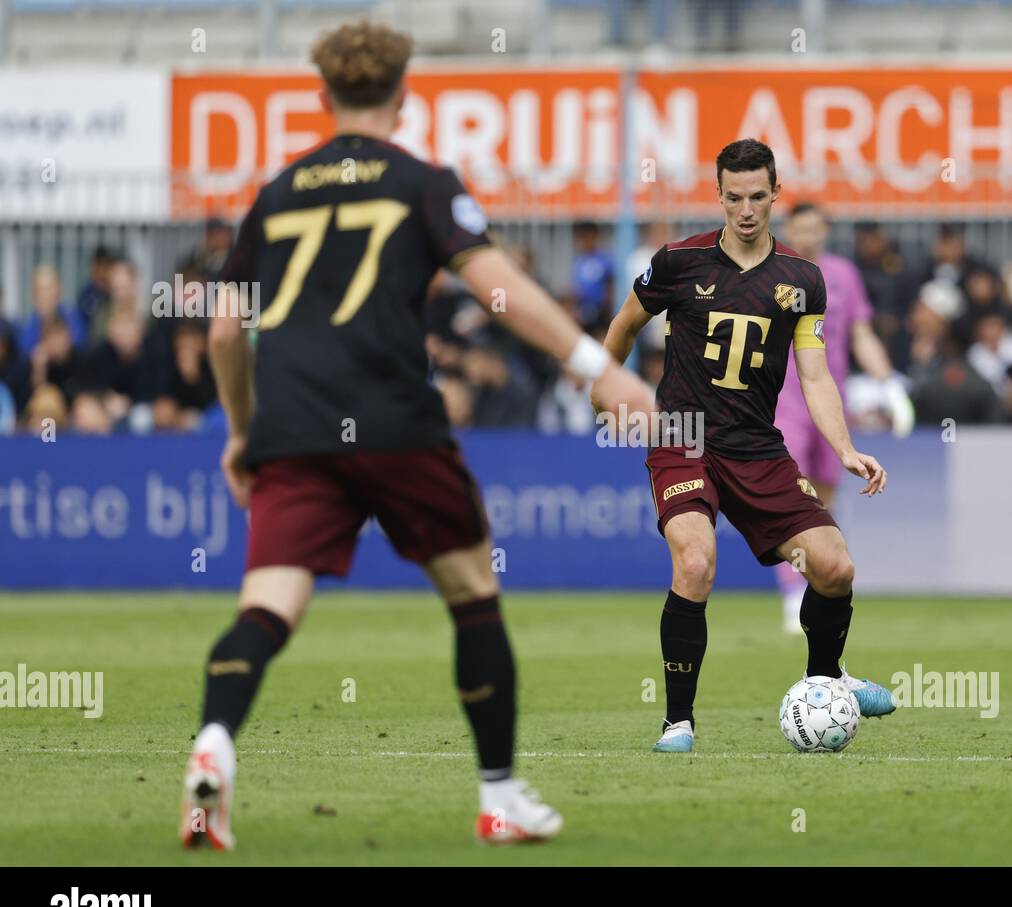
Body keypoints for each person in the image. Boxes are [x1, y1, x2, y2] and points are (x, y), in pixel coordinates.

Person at [181, 20, 655, 851]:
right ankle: (500, 797)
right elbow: (497, 287)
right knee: (473, 593)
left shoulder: (276, 191)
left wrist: (242, 431)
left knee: (266, 606)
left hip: (292, 428)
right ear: (403, 99)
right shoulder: (421, 181)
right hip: (395, 419)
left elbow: (224, 333)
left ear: (322, 99)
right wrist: (599, 367)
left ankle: (214, 746)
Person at [599, 138, 895, 756]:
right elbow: (625, 325)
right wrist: (603, 385)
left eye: (758, 196)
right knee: (695, 560)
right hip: (682, 436)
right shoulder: (678, 263)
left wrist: (844, 448)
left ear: (775, 194)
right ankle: (677, 721)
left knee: (834, 566)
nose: (746, 209)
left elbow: (814, 374)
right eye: (734, 197)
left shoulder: (802, 281)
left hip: (758, 445)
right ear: (719, 196)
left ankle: (826, 679)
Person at [771, 201, 912, 633]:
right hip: (782, 400)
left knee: (825, 497)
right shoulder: (771, 269)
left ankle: (817, 583)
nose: (808, 235)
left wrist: (889, 383)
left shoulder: (843, 275)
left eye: (816, 228)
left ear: (826, 230)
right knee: (792, 494)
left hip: (830, 403)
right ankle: (793, 591)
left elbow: (860, 333)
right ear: (789, 228)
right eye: (801, 227)